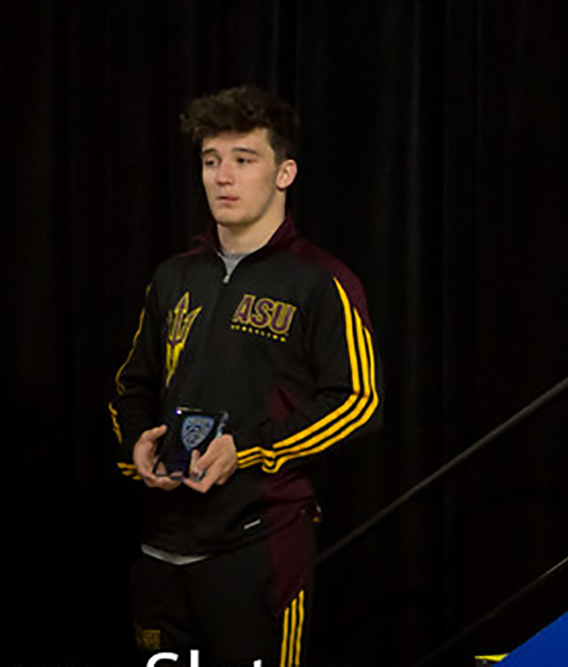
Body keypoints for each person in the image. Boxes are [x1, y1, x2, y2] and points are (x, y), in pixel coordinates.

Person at [111, 86, 379, 667]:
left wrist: (250, 449)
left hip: (258, 546)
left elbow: (357, 401)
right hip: (163, 547)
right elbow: (134, 385)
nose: (222, 177)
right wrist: (136, 445)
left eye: (243, 159)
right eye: (211, 161)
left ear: (285, 173)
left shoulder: (321, 282)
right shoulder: (174, 277)